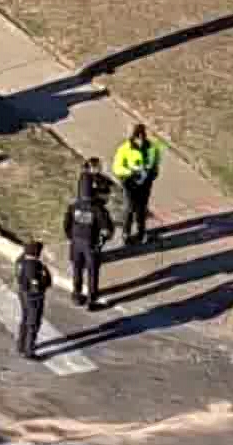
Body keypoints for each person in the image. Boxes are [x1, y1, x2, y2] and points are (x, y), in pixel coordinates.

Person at [63, 167, 114, 309]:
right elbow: (107, 229)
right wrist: (101, 242)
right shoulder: (98, 209)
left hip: (76, 243)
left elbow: (66, 225)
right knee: (92, 271)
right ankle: (92, 299)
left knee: (77, 269)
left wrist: (72, 238)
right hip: (91, 244)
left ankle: (76, 294)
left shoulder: (74, 207)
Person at [111, 123, 162, 246]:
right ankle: (126, 233)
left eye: (141, 135)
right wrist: (132, 172)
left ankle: (141, 233)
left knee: (142, 208)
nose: (139, 138)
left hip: (145, 182)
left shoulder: (152, 148)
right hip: (129, 182)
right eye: (136, 136)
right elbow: (117, 167)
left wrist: (150, 174)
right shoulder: (125, 148)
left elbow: (155, 165)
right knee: (130, 207)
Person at [13, 241, 52, 359]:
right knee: (33, 322)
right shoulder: (34, 266)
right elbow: (37, 285)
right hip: (33, 297)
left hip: (22, 293)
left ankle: (21, 344)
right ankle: (29, 351)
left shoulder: (20, 261)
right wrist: (44, 281)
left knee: (25, 318)